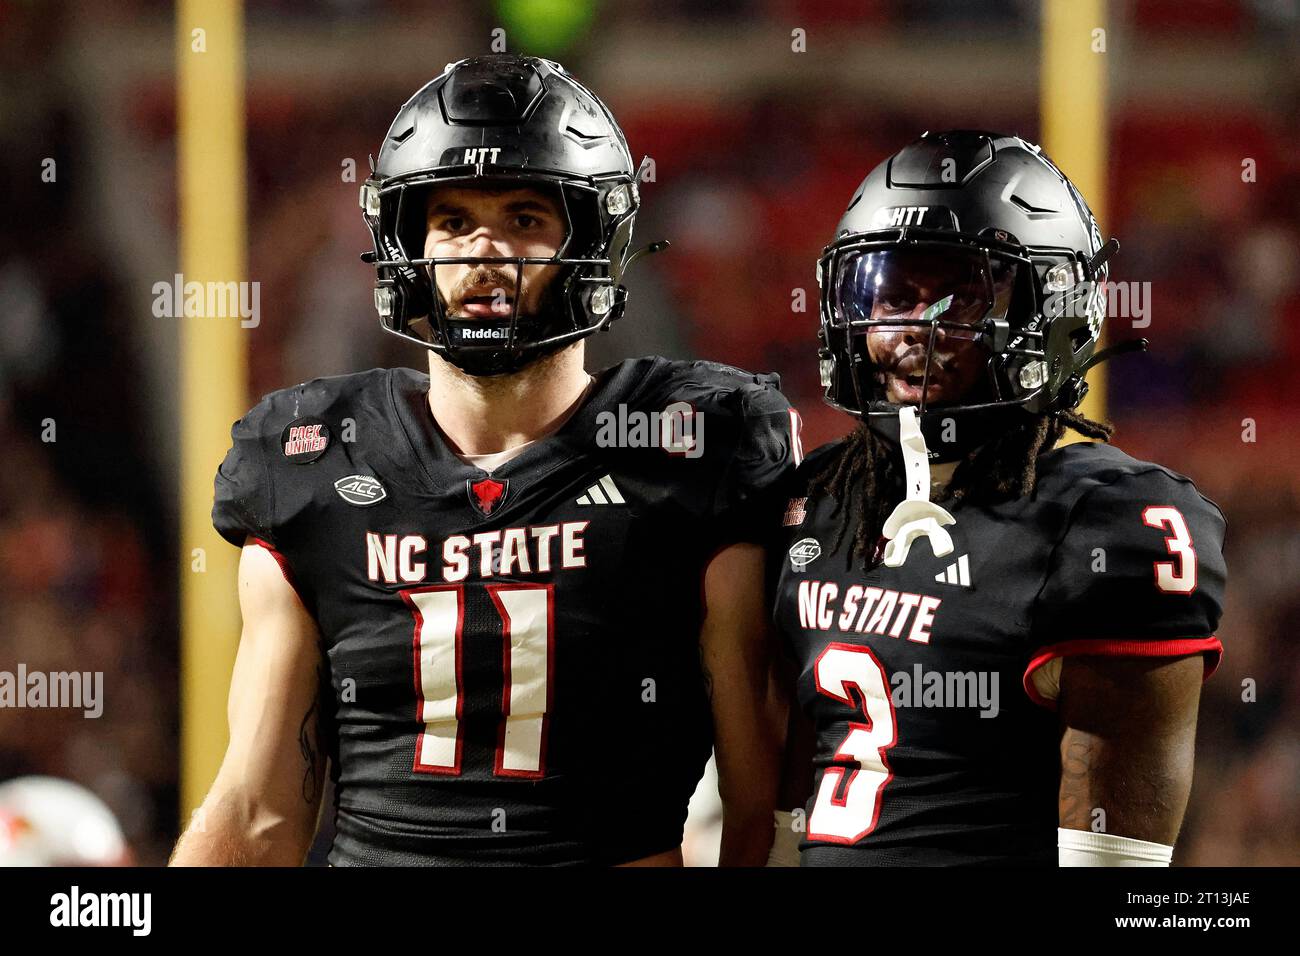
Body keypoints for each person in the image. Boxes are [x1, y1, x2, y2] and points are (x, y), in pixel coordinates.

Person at [171, 54, 800, 866]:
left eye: (526, 218)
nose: (486, 252)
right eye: (454, 220)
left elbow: (766, 811)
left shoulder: (691, 447)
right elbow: (257, 812)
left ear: (590, 242)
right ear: (408, 245)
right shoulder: (311, 460)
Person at [768, 130, 1226, 866]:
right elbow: (781, 805)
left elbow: (1114, 862)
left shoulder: (1107, 524)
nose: (918, 330)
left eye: (966, 295)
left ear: (1052, 314)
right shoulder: (814, 501)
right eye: (892, 294)